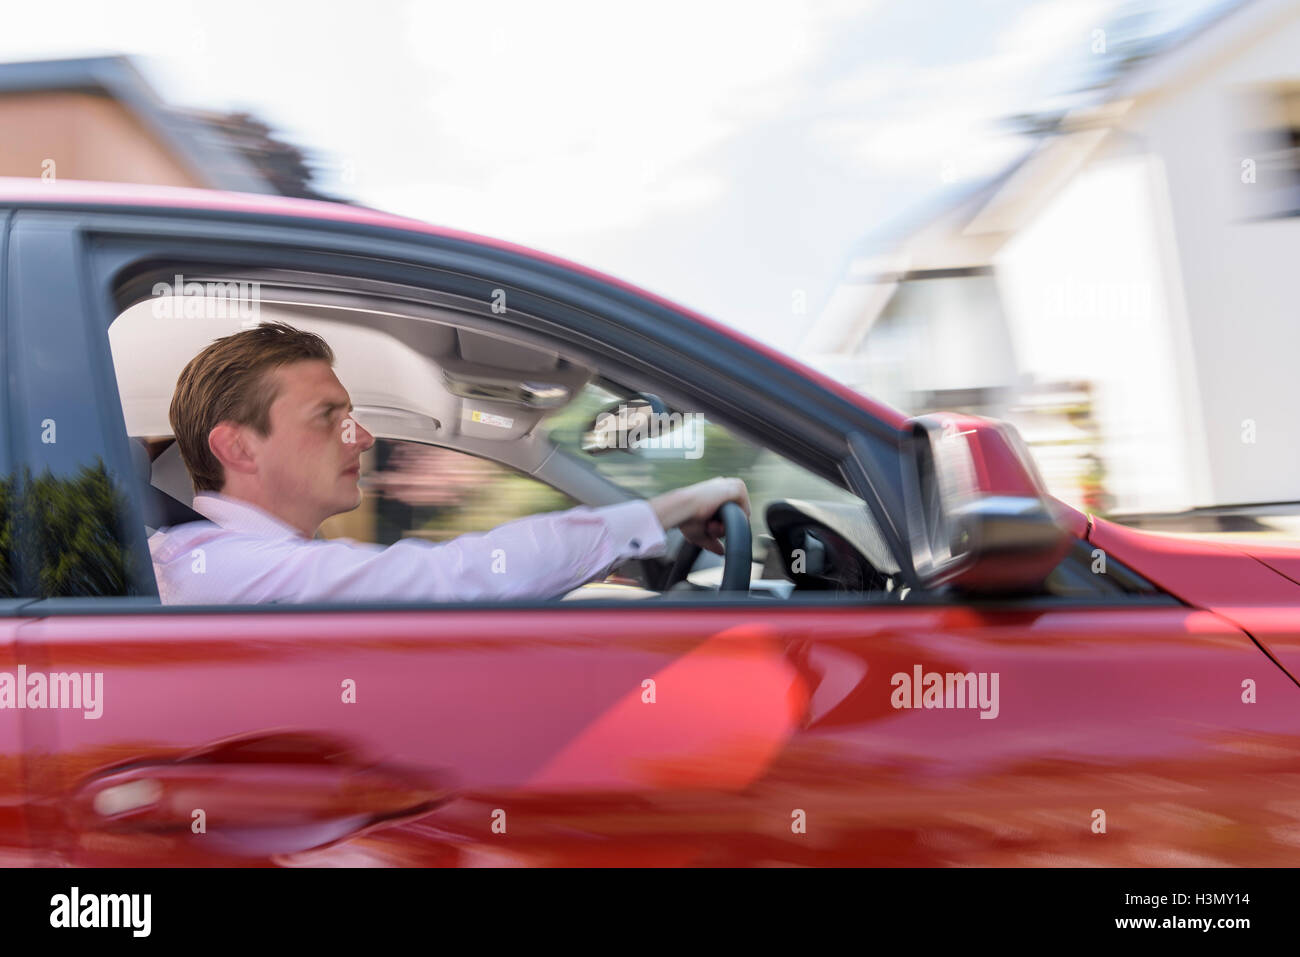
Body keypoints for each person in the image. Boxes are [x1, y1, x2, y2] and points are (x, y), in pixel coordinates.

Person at [149, 321, 750, 604]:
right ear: (238, 447)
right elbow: (459, 577)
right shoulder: (221, 570)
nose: (360, 439)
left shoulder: (238, 563)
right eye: (326, 417)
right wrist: (669, 508)